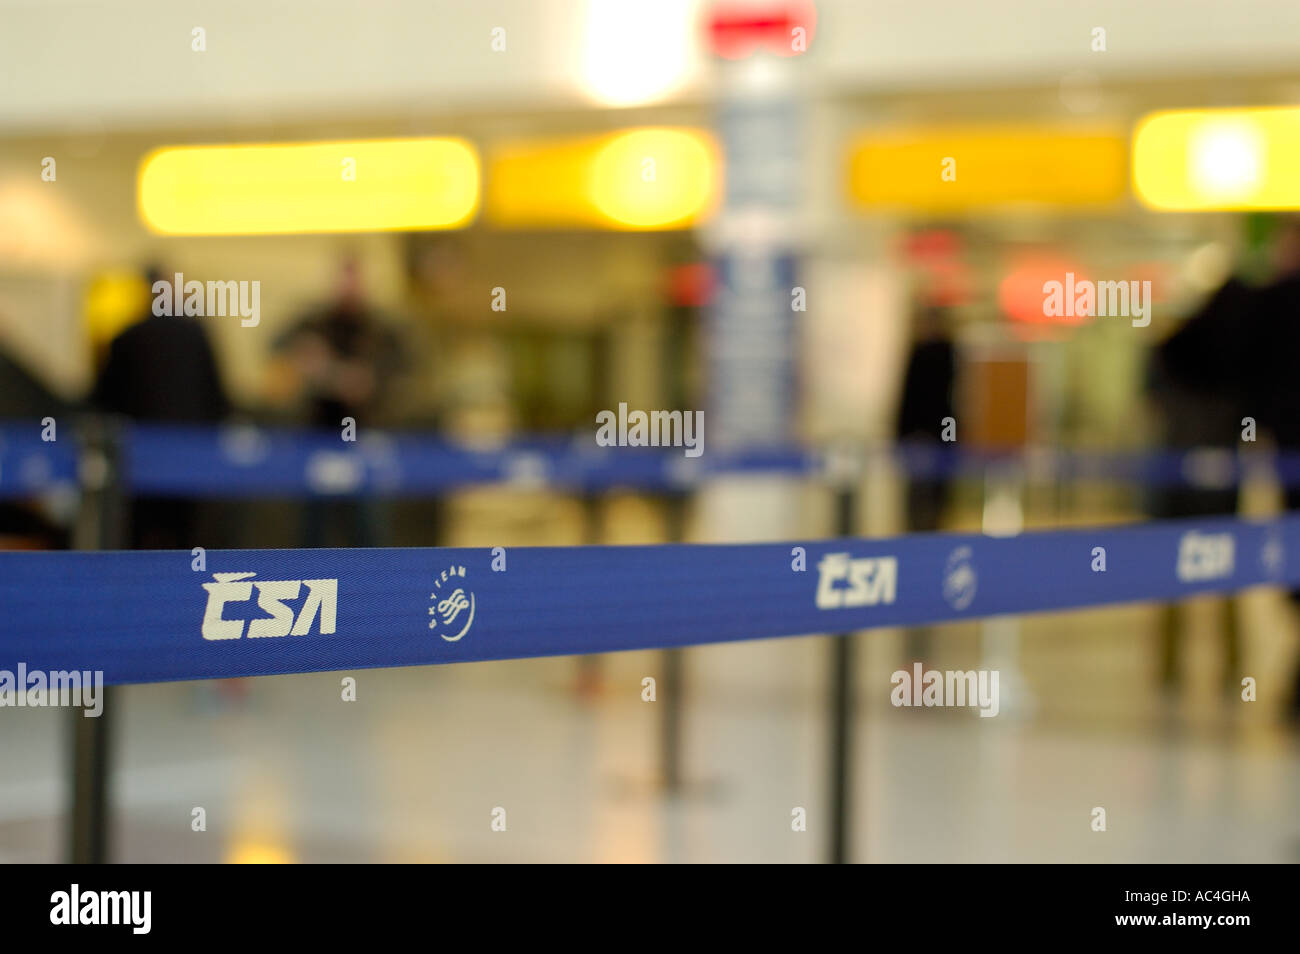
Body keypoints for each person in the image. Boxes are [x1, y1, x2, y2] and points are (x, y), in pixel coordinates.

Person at [92, 265, 230, 549]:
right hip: (190, 455)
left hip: (140, 457)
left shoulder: (127, 337)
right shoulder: (197, 334)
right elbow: (218, 397)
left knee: (142, 536)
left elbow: (102, 400)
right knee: (186, 537)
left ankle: (138, 587)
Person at [271, 255, 404, 547]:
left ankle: (371, 583)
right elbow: (277, 346)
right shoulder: (316, 322)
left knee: (368, 522)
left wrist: (369, 383)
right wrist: (305, 357)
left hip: (364, 435)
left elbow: (400, 370)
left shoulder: (380, 329)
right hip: (318, 434)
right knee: (313, 523)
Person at [894, 304, 956, 662]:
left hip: (934, 442)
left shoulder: (944, 353)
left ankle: (928, 562)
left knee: (930, 505)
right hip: (924, 441)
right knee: (920, 505)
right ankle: (922, 562)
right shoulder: (928, 352)